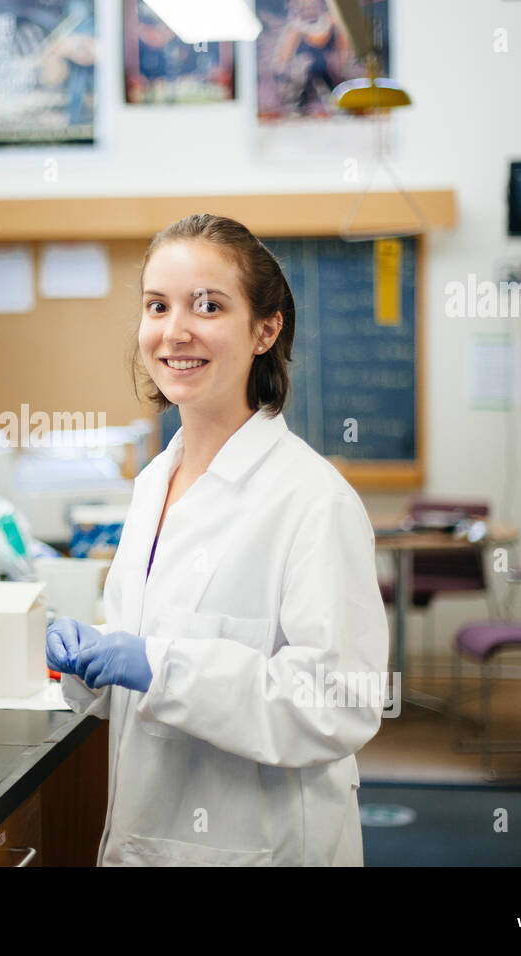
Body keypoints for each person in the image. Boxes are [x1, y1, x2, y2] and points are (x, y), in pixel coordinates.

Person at [46, 213, 389, 866]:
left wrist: (160, 666)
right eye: (158, 305)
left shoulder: (313, 501)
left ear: (266, 329)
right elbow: (136, 674)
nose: (175, 331)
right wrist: (86, 667)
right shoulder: (153, 486)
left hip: (264, 849)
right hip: (148, 839)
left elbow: (338, 705)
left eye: (208, 306)